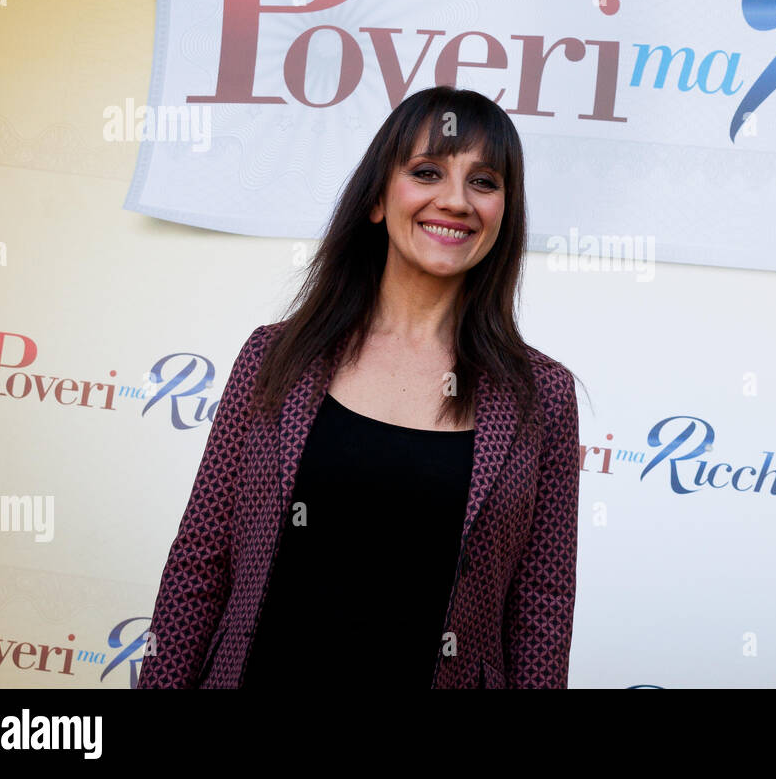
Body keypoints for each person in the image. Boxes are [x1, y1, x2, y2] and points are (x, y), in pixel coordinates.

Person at [137, 86, 582, 689]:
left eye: (484, 182)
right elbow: (199, 566)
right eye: (427, 172)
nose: (455, 200)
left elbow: (542, 612)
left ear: (505, 214)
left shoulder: (541, 397)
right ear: (377, 198)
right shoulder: (276, 357)